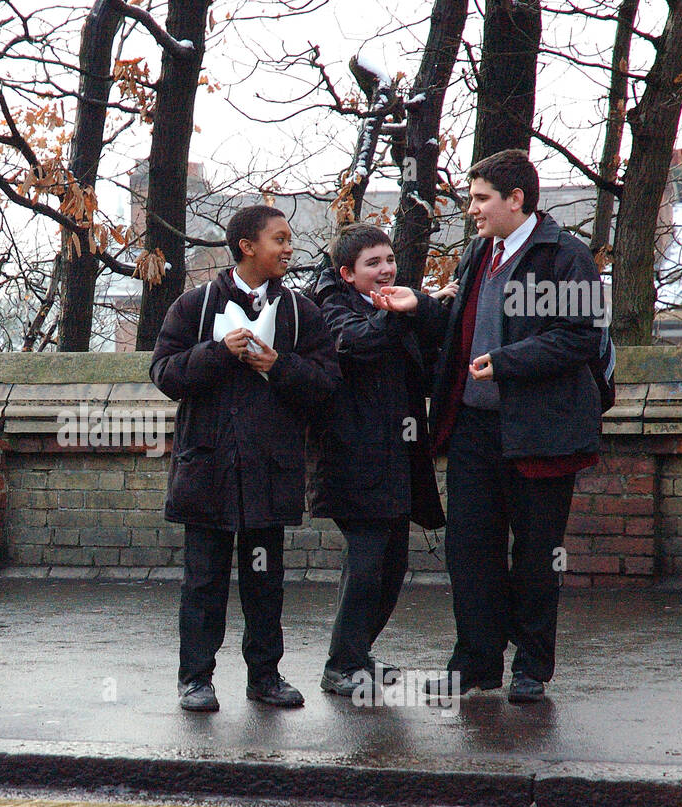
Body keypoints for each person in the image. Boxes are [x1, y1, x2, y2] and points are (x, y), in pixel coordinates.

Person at [374, 149, 608, 704]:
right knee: (469, 548)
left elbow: (577, 338)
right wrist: (418, 308)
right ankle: (476, 663)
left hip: (541, 432)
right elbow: (462, 333)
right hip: (476, 427)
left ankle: (531, 667)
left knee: (535, 551)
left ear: (516, 199)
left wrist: (507, 363)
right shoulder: (479, 253)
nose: (471, 210)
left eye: (481, 199)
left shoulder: (566, 256)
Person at [151, 205, 341, 712]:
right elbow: (164, 374)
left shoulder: (302, 311)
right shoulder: (194, 305)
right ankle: (195, 679)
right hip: (207, 468)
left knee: (265, 582)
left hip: (269, 469)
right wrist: (217, 352)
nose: (288, 248)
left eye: (289, 239)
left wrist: (279, 366)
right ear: (246, 247)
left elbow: (326, 384)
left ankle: (265, 676)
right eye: (279, 239)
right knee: (204, 583)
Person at [308, 224, 454, 696]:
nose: (387, 270)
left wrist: (432, 307)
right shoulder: (331, 306)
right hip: (352, 458)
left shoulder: (387, 306)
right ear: (347, 273)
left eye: (389, 260)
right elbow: (358, 344)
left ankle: (356, 655)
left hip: (395, 457)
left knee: (390, 567)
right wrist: (401, 312)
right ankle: (340, 666)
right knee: (368, 562)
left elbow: (429, 367)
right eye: (373, 263)